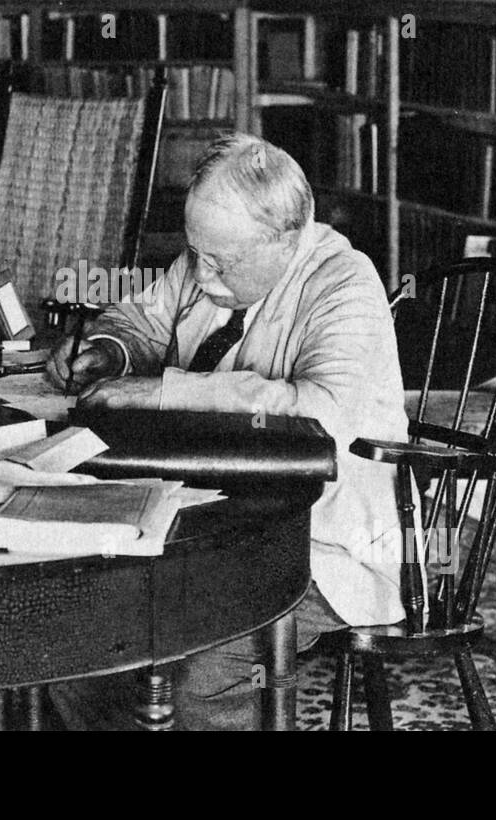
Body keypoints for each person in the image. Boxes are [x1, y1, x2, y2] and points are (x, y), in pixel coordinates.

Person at [46, 132, 410, 730]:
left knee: (202, 681)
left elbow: (322, 414)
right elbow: (141, 316)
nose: (203, 273)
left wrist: (164, 390)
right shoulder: (209, 255)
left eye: (222, 262)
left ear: (289, 237)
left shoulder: (346, 284)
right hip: (207, 522)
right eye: (196, 253)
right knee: (76, 643)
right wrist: (110, 350)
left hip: (321, 543)